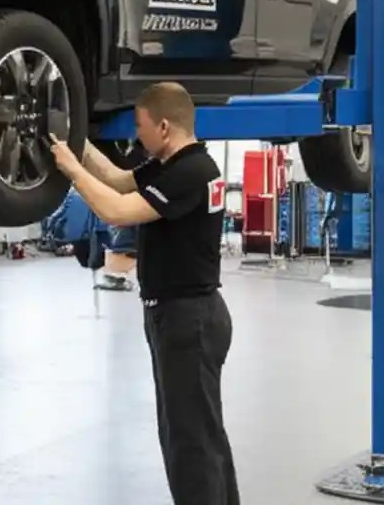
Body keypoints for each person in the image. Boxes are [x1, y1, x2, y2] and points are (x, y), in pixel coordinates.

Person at [49, 82, 240, 505]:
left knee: (189, 443)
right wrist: (75, 143)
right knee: (199, 433)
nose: (137, 137)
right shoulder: (171, 164)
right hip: (178, 315)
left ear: (165, 127)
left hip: (188, 318)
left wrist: (70, 170)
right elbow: (118, 181)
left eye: (141, 128)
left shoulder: (192, 172)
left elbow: (117, 210)